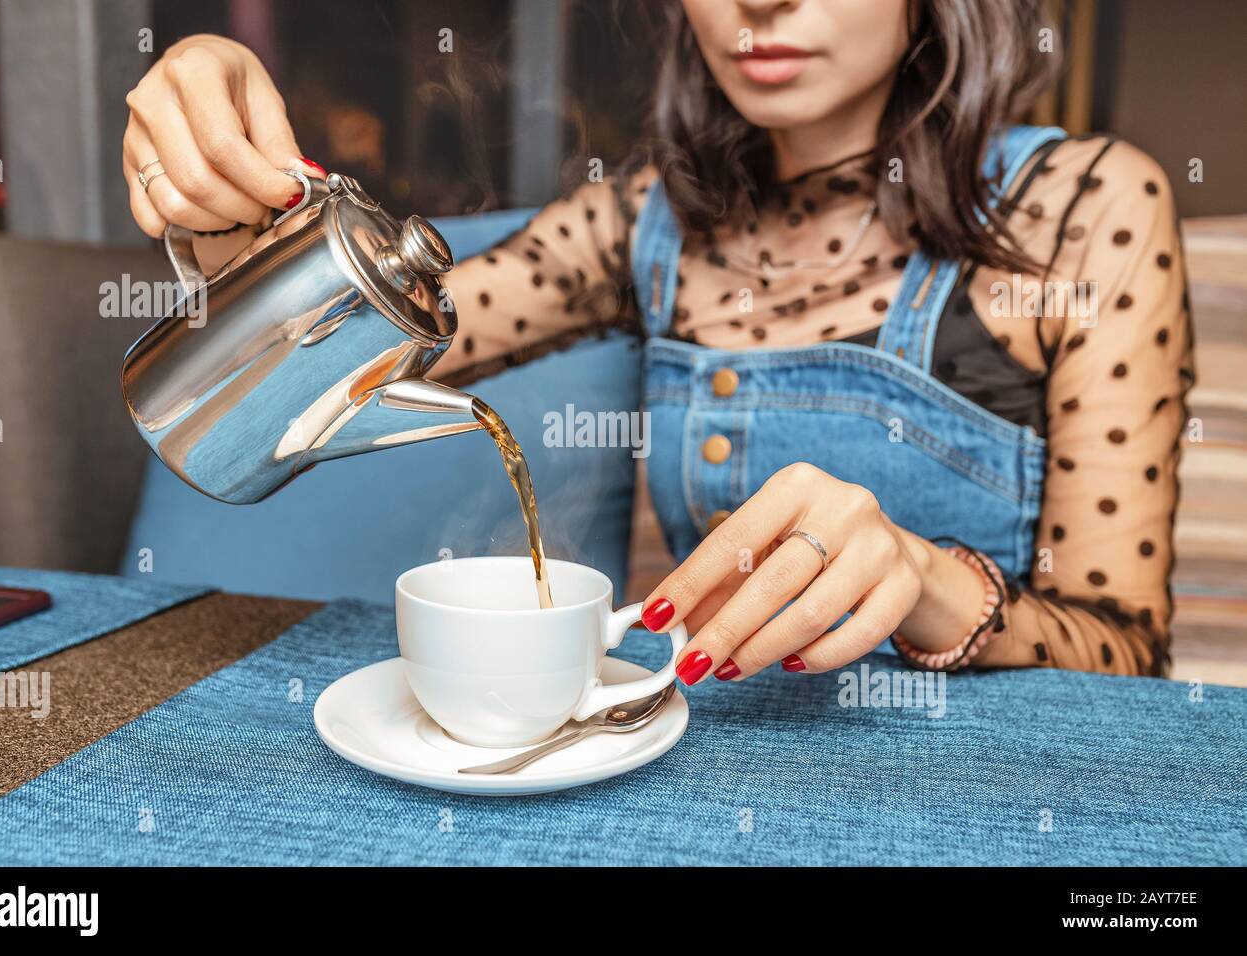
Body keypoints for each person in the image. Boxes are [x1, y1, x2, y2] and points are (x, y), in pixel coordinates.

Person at [121, 0, 1192, 684]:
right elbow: (359, 342)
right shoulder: (648, 219)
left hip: (965, 790)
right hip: (693, 764)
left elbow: (1124, 647)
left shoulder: (1082, 207)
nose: (757, 5)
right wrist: (218, 171)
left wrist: (921, 577)